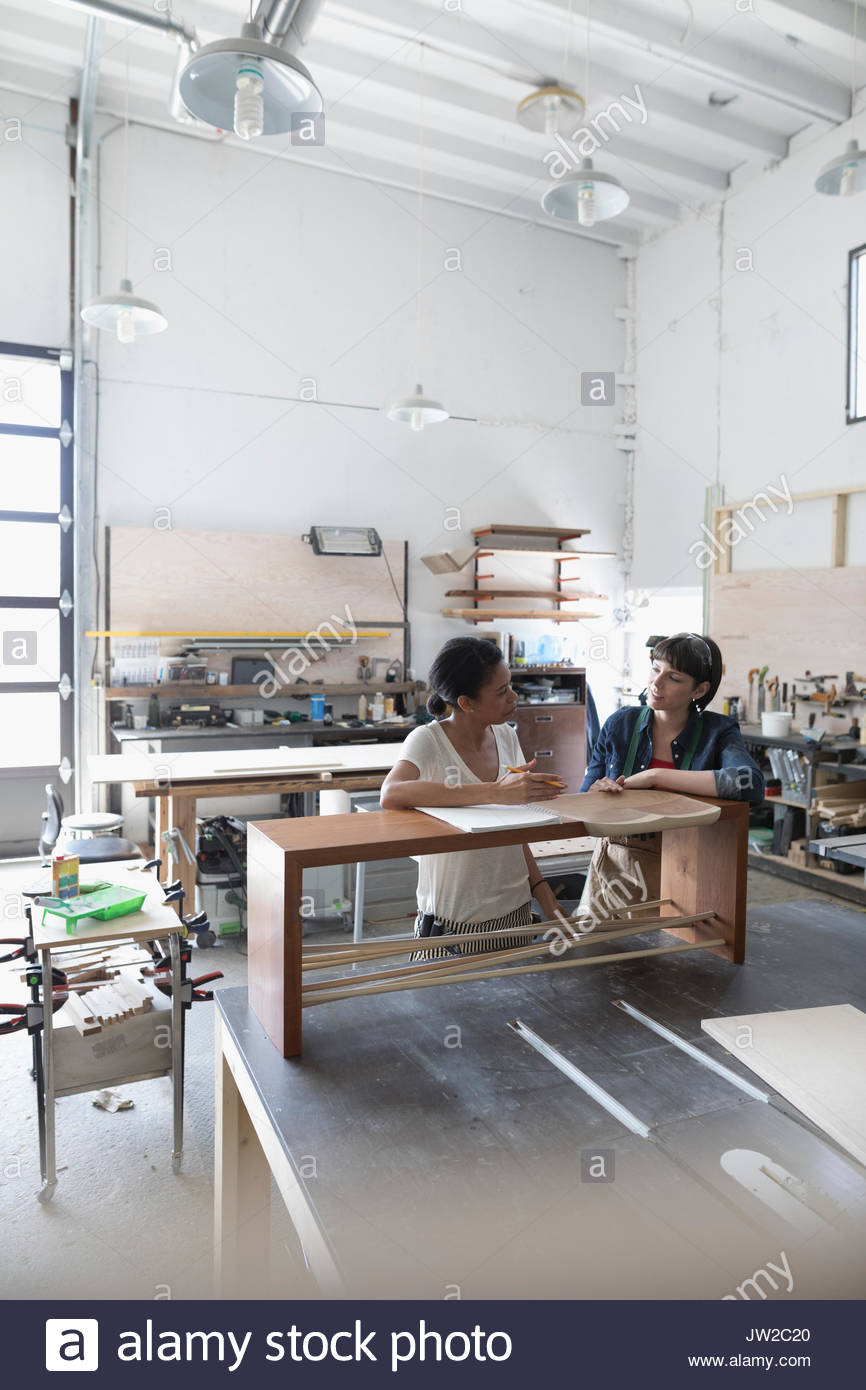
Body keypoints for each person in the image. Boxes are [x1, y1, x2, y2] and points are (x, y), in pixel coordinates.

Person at [381, 637, 566, 954]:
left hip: (515, 916)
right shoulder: (428, 741)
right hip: (451, 926)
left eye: (510, 686)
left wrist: (543, 893)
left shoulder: (506, 736)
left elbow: (514, 827)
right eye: (501, 691)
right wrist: (494, 791)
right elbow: (391, 793)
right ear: (466, 703)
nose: (513, 696)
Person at [579, 632, 764, 918]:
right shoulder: (621, 724)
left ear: (699, 690)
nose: (656, 682)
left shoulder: (718, 732)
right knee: (600, 955)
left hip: (687, 874)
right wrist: (597, 792)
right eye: (655, 668)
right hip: (613, 875)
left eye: (674, 678)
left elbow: (750, 783)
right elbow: (584, 799)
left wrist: (656, 777)